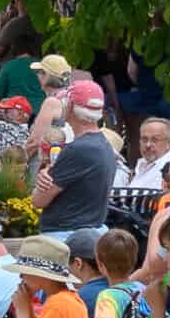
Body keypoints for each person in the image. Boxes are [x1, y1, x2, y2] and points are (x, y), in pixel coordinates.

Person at [33, 81, 118, 231]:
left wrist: (44, 176)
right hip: (89, 231)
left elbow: (38, 200)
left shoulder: (78, 149)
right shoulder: (103, 144)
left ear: (71, 105)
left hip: (65, 235)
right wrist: (48, 172)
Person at [128, 114, 170, 190]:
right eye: (144, 139)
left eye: (154, 140)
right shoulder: (142, 164)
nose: (148, 145)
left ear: (169, 143)